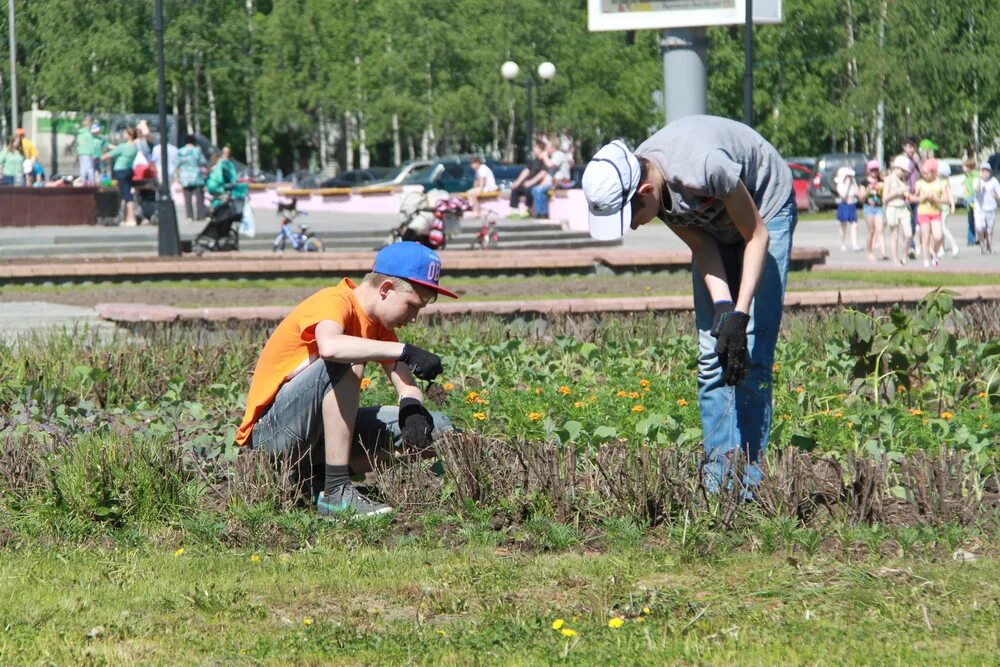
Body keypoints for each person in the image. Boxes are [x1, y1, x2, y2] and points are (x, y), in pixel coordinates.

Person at [582, 115, 795, 493]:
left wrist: (741, 313)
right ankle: (718, 483)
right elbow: (704, 246)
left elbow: (755, 235)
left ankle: (750, 483)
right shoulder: (653, 189)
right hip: (717, 228)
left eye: (630, 216)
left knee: (752, 352)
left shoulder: (705, 167)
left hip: (765, 210)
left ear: (644, 190)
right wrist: (723, 309)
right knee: (713, 353)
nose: (632, 227)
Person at [235, 242, 458, 517]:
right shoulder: (334, 300)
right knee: (348, 362)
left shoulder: (379, 326)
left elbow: (406, 385)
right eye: (413, 306)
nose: (414, 318)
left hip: (312, 440)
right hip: (270, 437)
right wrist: (405, 350)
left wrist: (412, 411)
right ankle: (337, 490)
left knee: (440, 428)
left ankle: (312, 479)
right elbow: (330, 347)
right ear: (386, 289)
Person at [103, 127, 139, 226]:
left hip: (120, 171)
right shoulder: (134, 147)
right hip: (128, 170)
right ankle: (125, 218)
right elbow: (118, 150)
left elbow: (108, 155)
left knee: (127, 194)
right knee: (124, 193)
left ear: (130, 135)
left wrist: (99, 155)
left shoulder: (123, 146)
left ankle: (131, 219)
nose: (123, 135)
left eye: (125, 133)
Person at [882, 155, 914, 265]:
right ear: (897, 168)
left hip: (903, 208)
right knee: (894, 235)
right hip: (892, 208)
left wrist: (907, 194)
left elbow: (906, 194)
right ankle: (895, 259)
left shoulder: (903, 180)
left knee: (909, 234)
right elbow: (885, 198)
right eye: (903, 171)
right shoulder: (889, 179)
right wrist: (898, 192)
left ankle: (904, 255)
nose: (904, 174)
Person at [914, 157, 945, 267]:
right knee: (925, 236)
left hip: (936, 212)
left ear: (933, 173)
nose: (924, 175)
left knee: (938, 236)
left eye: (926, 173)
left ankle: (935, 254)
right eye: (923, 173)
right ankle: (926, 259)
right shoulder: (920, 183)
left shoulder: (940, 183)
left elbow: (945, 200)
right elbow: (914, 198)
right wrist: (923, 198)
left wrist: (935, 199)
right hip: (923, 212)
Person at [507, 139, 547, 218]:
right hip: (528, 182)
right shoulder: (534, 160)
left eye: (535, 148)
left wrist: (531, 182)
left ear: (540, 149)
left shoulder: (544, 160)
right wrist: (517, 182)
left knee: (529, 189)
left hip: (537, 183)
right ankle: (514, 211)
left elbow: (543, 173)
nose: (534, 149)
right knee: (515, 189)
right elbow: (526, 171)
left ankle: (529, 210)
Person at [177, 135, 208, 221]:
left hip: (185, 177)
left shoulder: (180, 151)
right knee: (199, 197)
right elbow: (203, 162)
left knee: (187, 197)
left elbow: (177, 165)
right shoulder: (197, 150)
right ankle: (201, 215)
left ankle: (189, 216)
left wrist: (177, 178)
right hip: (196, 176)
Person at [859, 160, 885, 261]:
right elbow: (861, 197)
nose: (874, 172)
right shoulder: (864, 182)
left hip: (879, 207)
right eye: (872, 170)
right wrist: (868, 189)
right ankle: (869, 252)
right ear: (869, 170)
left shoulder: (881, 181)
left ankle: (883, 253)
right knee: (871, 231)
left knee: (880, 229)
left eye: (876, 170)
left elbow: (885, 193)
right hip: (868, 208)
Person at [934, 159, 959, 259]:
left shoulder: (944, 182)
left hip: (944, 208)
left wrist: (952, 205)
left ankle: (954, 246)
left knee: (942, 228)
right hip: (937, 207)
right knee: (939, 229)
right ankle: (941, 249)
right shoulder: (936, 181)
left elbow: (950, 195)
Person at [973, 162, 999, 254]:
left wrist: (996, 195)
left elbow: (999, 194)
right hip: (979, 208)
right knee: (980, 227)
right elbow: (977, 190)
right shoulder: (977, 180)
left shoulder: (994, 181)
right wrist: (980, 180)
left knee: (989, 229)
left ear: (990, 172)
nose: (985, 173)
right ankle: (982, 244)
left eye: (987, 171)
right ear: (980, 172)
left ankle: (989, 246)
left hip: (991, 208)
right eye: (983, 170)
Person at [835, 166, 861, 252]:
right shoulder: (840, 185)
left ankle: (854, 243)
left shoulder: (853, 183)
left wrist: (854, 183)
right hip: (844, 205)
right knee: (843, 226)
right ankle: (842, 244)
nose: (850, 178)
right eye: (848, 176)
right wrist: (847, 185)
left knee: (854, 225)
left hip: (852, 205)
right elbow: (843, 195)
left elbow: (857, 193)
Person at [962, 159, 979, 246]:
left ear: (969, 167)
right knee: (970, 220)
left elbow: (977, 187)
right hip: (969, 200)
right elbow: (965, 188)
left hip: (976, 200)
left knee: (978, 221)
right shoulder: (966, 176)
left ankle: (980, 238)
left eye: (964, 166)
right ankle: (971, 239)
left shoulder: (976, 175)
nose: (962, 167)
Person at [75, 117, 97, 184]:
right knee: (90, 168)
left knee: (82, 168)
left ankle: (83, 182)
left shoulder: (79, 134)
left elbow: (78, 144)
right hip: (88, 153)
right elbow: (91, 145)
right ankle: (92, 183)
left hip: (81, 153)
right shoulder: (88, 134)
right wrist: (94, 154)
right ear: (89, 124)